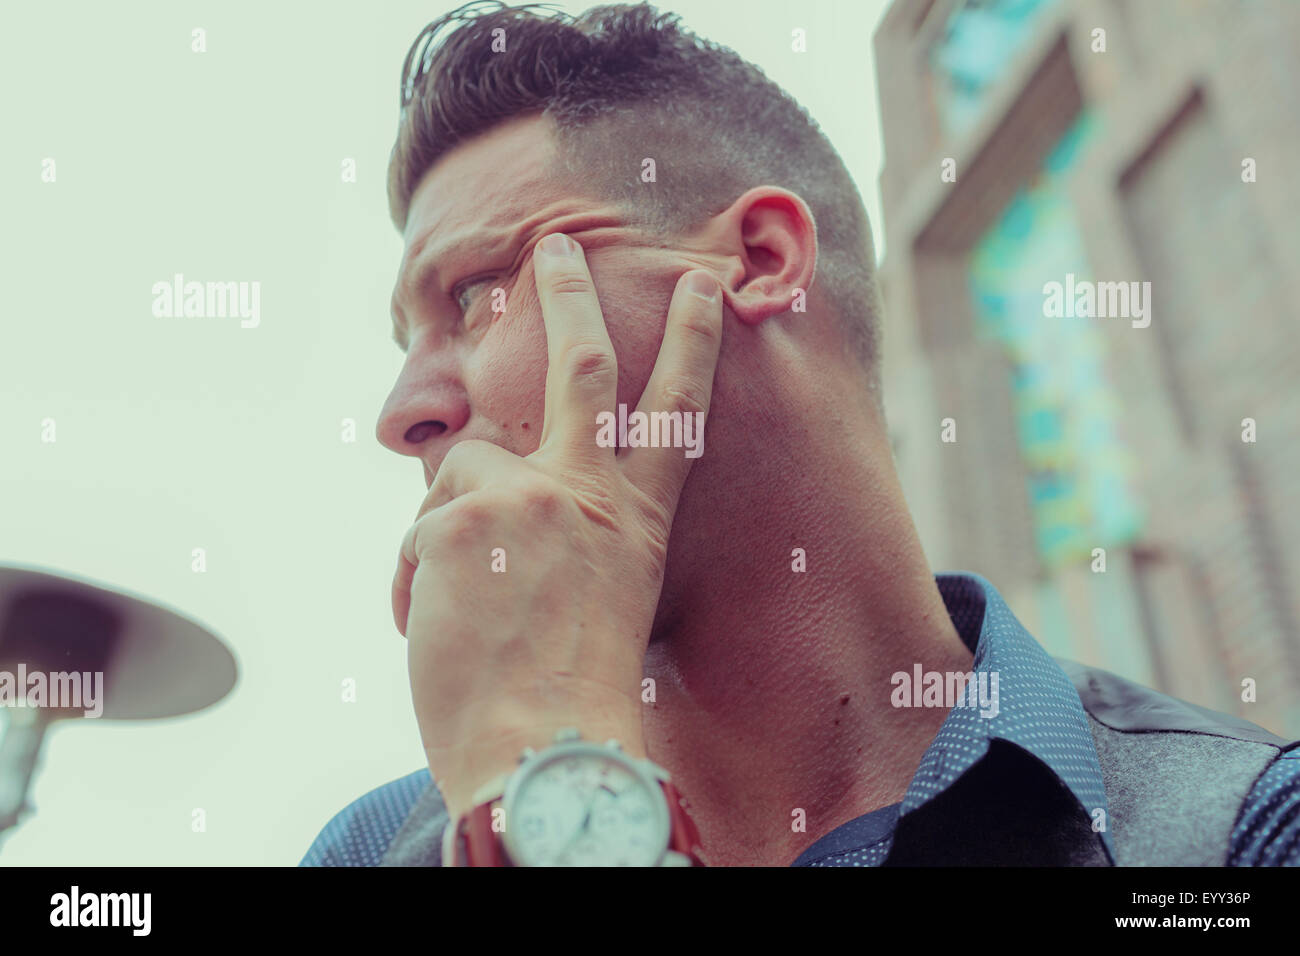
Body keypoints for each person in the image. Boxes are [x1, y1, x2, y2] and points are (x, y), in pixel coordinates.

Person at [300, 1, 1300, 867]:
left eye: (475, 294)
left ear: (758, 258)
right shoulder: (367, 848)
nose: (403, 410)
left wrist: (552, 782)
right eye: (405, 340)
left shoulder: (1240, 825)